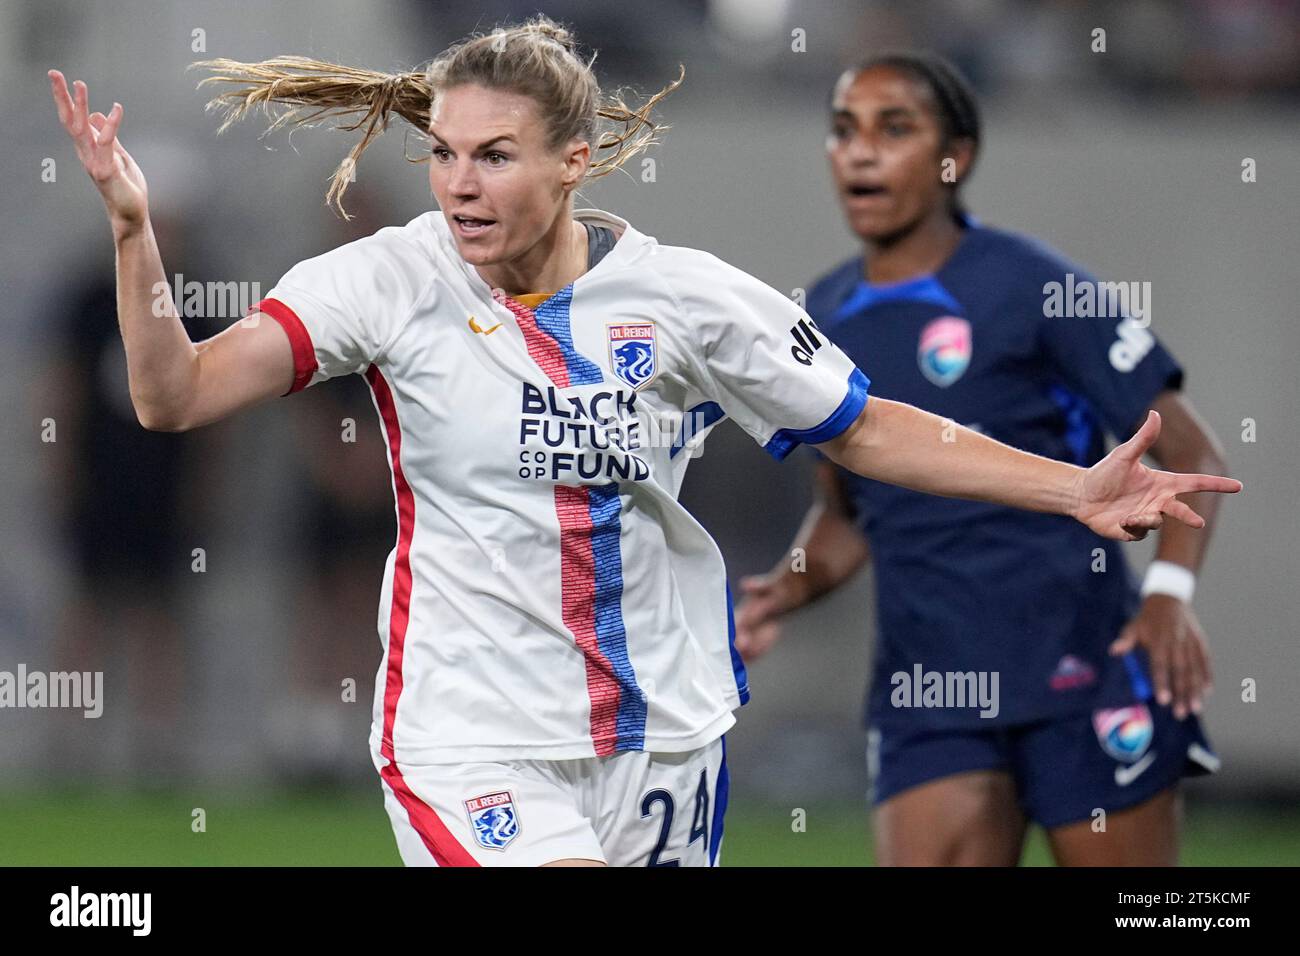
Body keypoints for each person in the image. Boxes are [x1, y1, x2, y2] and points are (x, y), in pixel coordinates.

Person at [46, 18, 1240, 868]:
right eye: (445, 154)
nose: (458, 185)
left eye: (494, 156)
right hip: (470, 734)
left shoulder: (691, 301)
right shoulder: (388, 278)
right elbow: (176, 394)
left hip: (663, 735)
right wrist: (135, 231)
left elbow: (867, 427)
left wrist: (1072, 485)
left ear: (574, 160)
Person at [735, 53, 1234, 866]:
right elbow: (847, 514)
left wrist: (1169, 597)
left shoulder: (1033, 284)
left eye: (893, 128)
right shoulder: (820, 316)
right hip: (927, 688)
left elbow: (1190, 447)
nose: (860, 151)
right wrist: (781, 590)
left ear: (953, 157)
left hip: (1083, 666)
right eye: (842, 130)